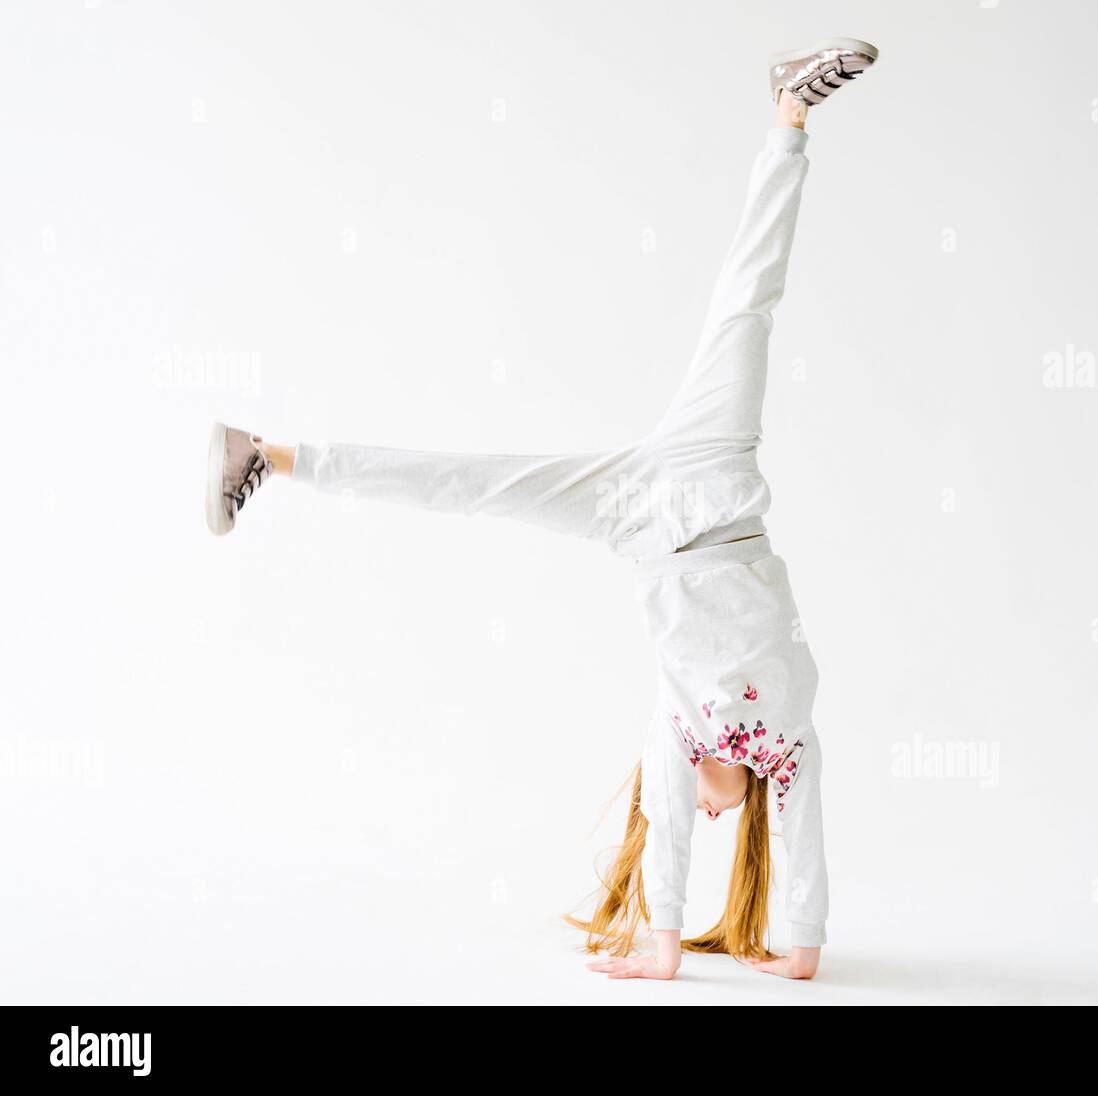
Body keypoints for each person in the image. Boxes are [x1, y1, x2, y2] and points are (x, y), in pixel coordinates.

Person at [205, 38, 878, 981]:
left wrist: (661, 947)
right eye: (728, 813)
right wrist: (793, 948)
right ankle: (789, 114)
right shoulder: (792, 748)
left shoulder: (679, 732)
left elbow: (671, 833)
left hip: (646, 525)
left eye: (698, 807)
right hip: (715, 472)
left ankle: (272, 458)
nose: (709, 810)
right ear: (754, 802)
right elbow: (804, 944)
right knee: (749, 301)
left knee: (472, 485)